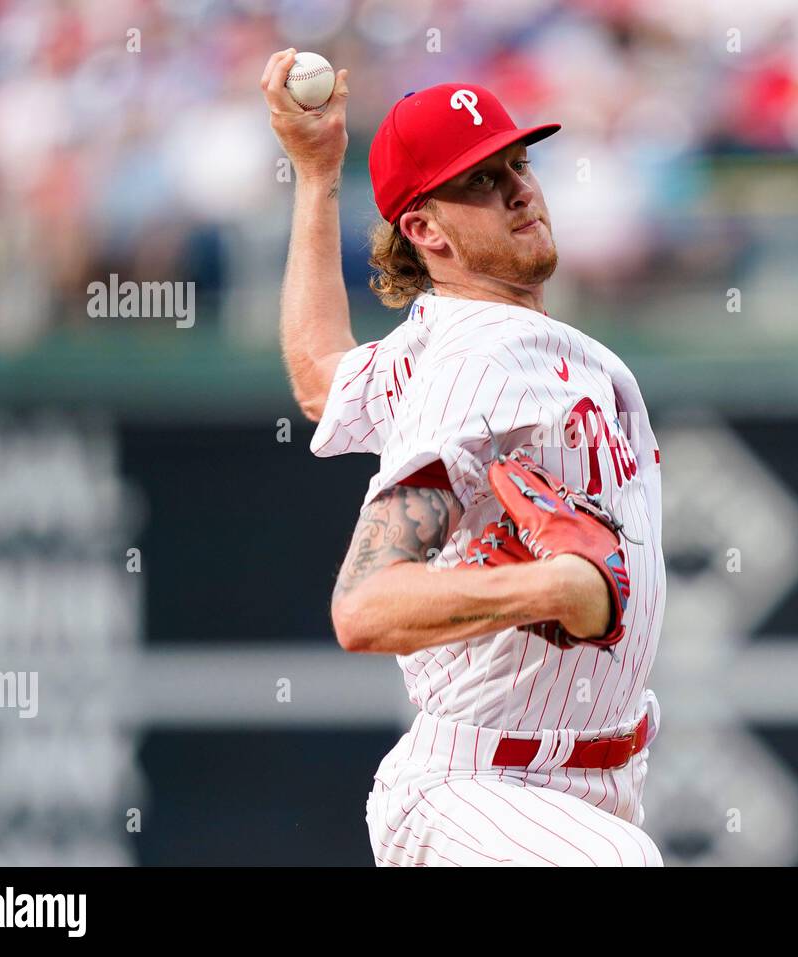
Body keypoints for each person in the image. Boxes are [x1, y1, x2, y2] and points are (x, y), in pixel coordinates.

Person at [262, 49, 665, 866]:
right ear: (424, 230)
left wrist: (314, 173)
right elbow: (364, 605)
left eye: (518, 163)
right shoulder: (478, 365)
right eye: (481, 179)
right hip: (477, 792)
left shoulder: (431, 343)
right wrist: (557, 585)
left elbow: (317, 377)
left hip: (576, 783)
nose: (519, 186)